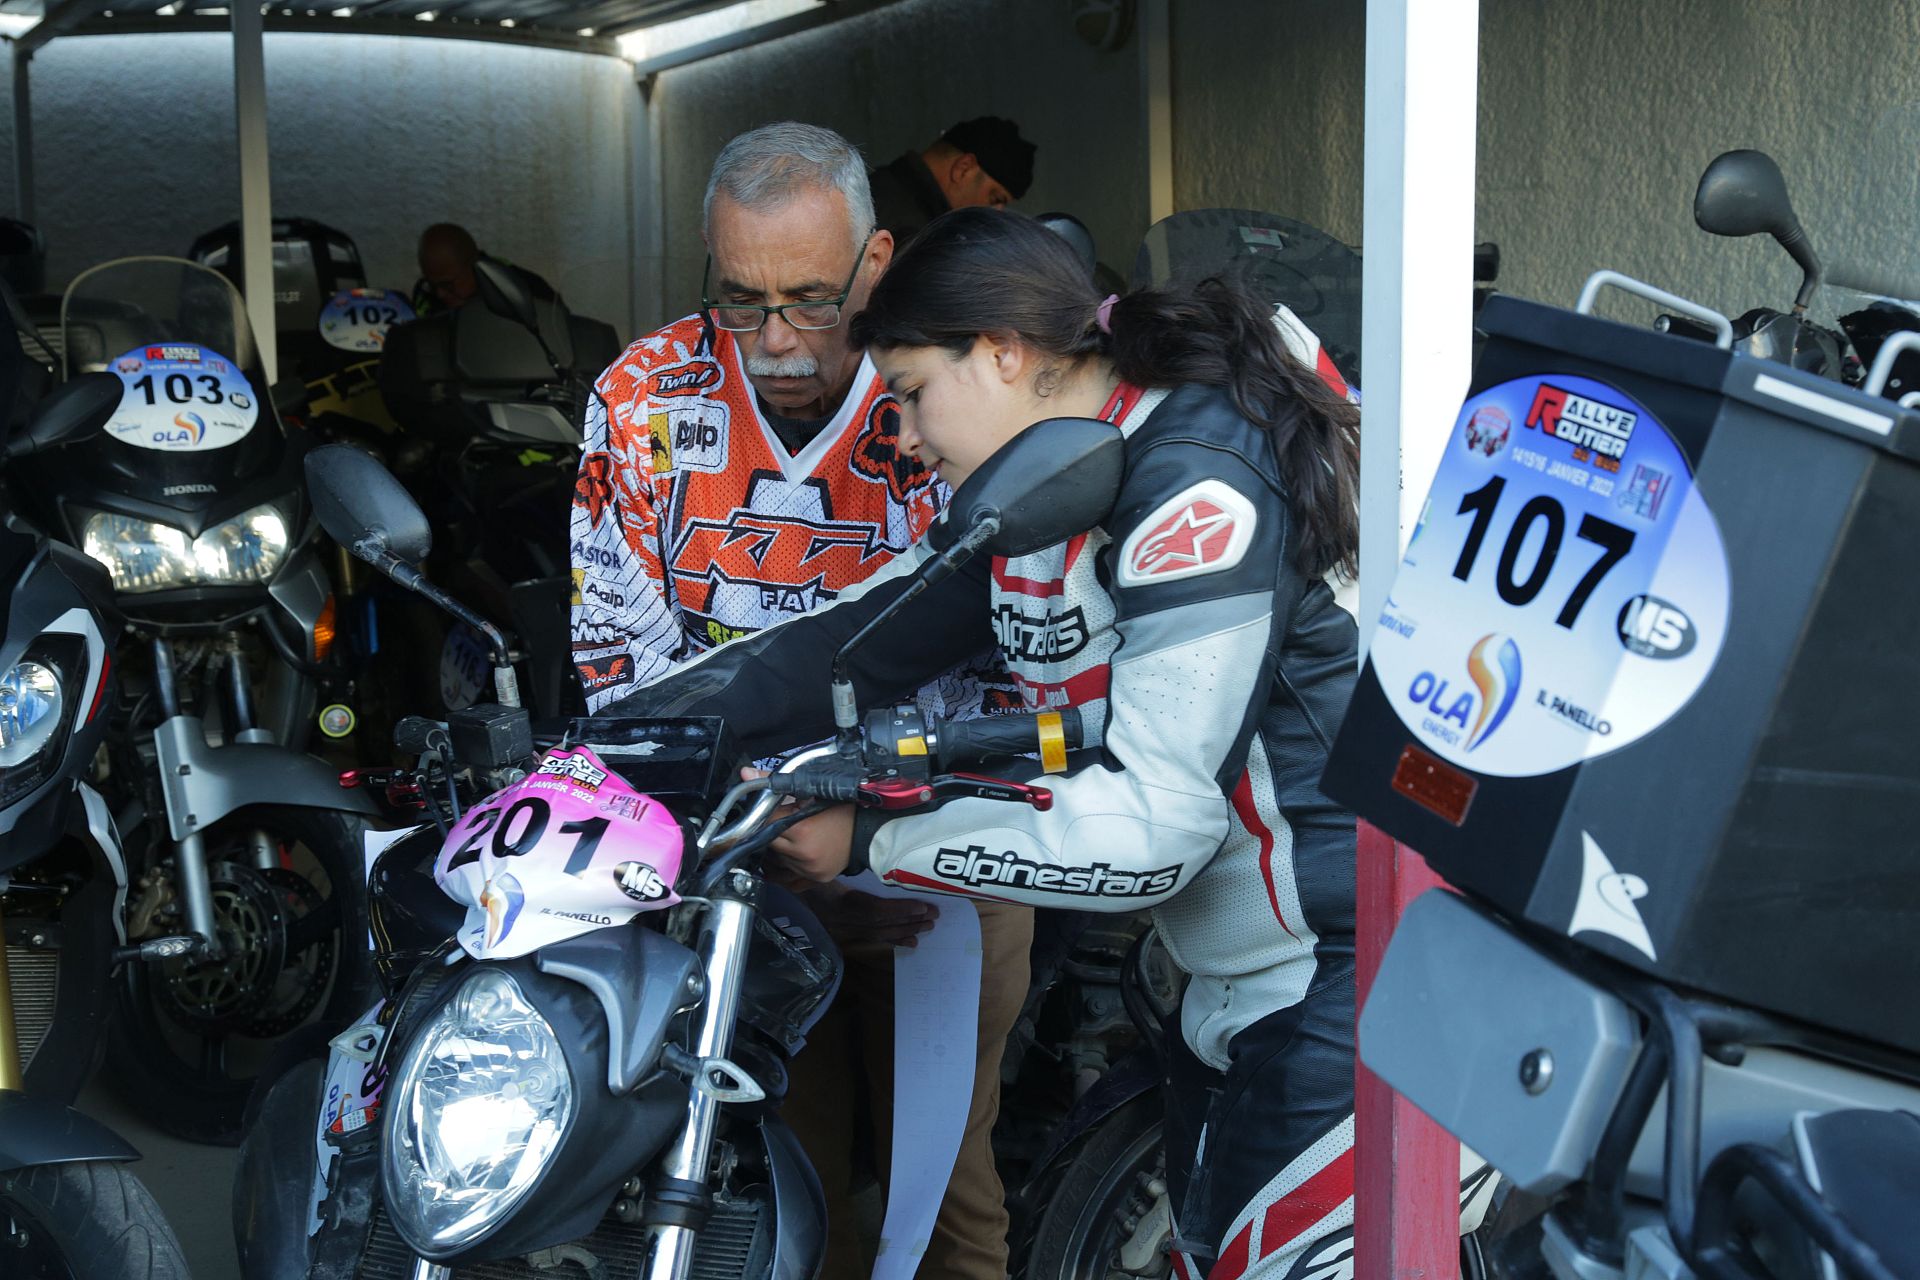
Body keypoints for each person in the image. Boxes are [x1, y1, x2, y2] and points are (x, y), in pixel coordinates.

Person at [606, 208, 1363, 1278]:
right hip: (1233, 979)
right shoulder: (1056, 473)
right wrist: (602, 747)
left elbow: (1158, 827)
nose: (907, 437)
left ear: (1004, 352)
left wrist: (867, 837)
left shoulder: (1197, 475)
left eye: (913, 394)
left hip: (1345, 973)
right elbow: (847, 643)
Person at [570, 122, 1029, 1280]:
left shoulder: (950, 396)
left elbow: (1004, 662)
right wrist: (782, 870)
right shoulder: (640, 398)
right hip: (739, 874)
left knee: (948, 1204)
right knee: (779, 1189)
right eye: (741, 300)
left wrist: (885, 843)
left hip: (940, 858)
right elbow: (625, 680)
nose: (775, 342)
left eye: (814, 301)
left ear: (877, 264)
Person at [868, 116, 1036, 246]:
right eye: (995, 199)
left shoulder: (879, 187)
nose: (995, 213)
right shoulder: (914, 232)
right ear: (964, 168)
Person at [412, 222, 482, 314]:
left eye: (447, 284)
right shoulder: (426, 304)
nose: (440, 294)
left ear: (474, 269)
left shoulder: (504, 286)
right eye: (432, 285)